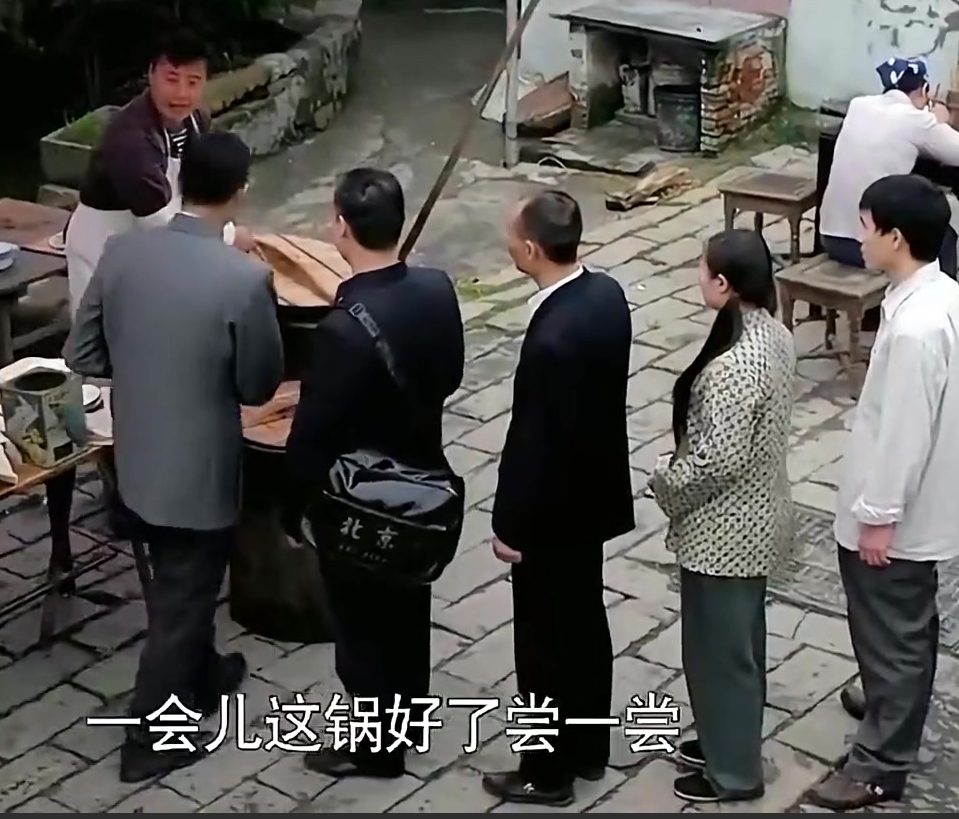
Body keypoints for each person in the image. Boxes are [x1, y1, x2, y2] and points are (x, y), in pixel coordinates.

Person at [65, 131, 285, 784]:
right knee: (185, 595)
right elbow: (258, 386)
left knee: (177, 581)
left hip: (136, 457)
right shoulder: (245, 279)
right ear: (241, 192)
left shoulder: (123, 252)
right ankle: (151, 738)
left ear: (180, 180)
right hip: (200, 467)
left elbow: (83, 354)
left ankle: (204, 672)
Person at [284, 168, 465, 780]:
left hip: (362, 495)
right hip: (424, 473)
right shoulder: (437, 289)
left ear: (340, 226)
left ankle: (374, 748)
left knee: (361, 626)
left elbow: (313, 433)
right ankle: (409, 716)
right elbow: (453, 374)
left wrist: (294, 508)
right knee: (409, 606)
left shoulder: (341, 330)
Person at [805, 175, 959, 812]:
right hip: (916, 497)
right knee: (903, 626)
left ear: (896, 237)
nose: (859, 236)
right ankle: (888, 700)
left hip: (899, 512)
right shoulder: (936, 291)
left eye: (867, 224)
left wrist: (878, 516)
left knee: (893, 629)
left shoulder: (914, 329)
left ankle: (880, 762)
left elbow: (905, 430)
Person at [483, 191, 635, 807]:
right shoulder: (606, 294)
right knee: (585, 625)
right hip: (593, 495)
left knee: (542, 644)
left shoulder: (550, 339)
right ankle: (589, 746)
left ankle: (545, 771)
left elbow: (531, 440)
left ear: (529, 249)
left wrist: (509, 523)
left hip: (550, 510)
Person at [651, 229, 796, 805]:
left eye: (703, 269)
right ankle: (722, 739)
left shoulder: (735, 365)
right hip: (756, 516)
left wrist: (665, 477)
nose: (697, 275)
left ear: (724, 283)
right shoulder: (774, 334)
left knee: (721, 652)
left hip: (725, 530)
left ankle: (734, 771)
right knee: (736, 646)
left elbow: (717, 460)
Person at [63, 33, 255, 317]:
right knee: (102, 336)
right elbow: (158, 221)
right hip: (105, 247)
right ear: (151, 74)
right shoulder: (130, 139)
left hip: (156, 244)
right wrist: (227, 235)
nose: (181, 94)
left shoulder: (196, 120)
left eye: (193, 82)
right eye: (171, 79)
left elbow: (196, 191)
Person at [818, 57, 959, 278]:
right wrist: (939, 120)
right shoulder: (916, 119)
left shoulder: (858, 105)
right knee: (942, 236)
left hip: (831, 238)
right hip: (866, 248)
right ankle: (934, 304)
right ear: (924, 89)